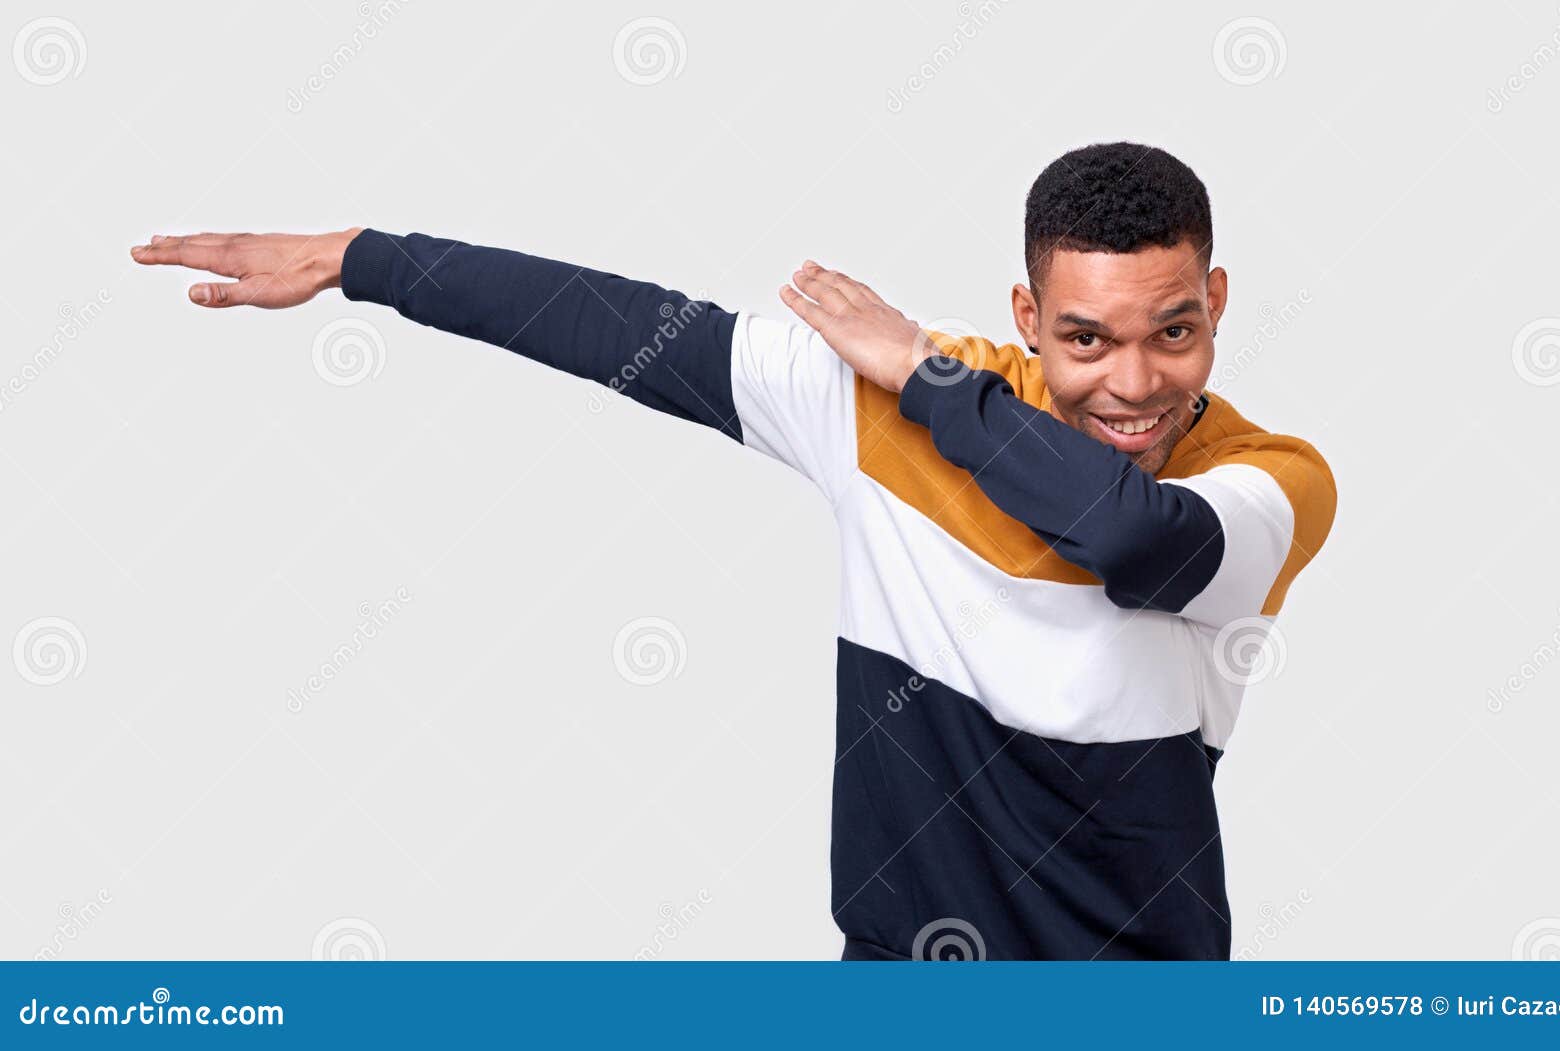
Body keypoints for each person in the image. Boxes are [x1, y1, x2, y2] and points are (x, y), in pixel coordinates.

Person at [130, 141, 1336, 960]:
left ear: (1216, 302)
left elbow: (1127, 534)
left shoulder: (1265, 486)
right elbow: (620, 329)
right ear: (1028, 318)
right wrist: (362, 259)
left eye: (1172, 333)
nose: (1134, 384)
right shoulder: (881, 409)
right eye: (1085, 339)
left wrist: (924, 375)